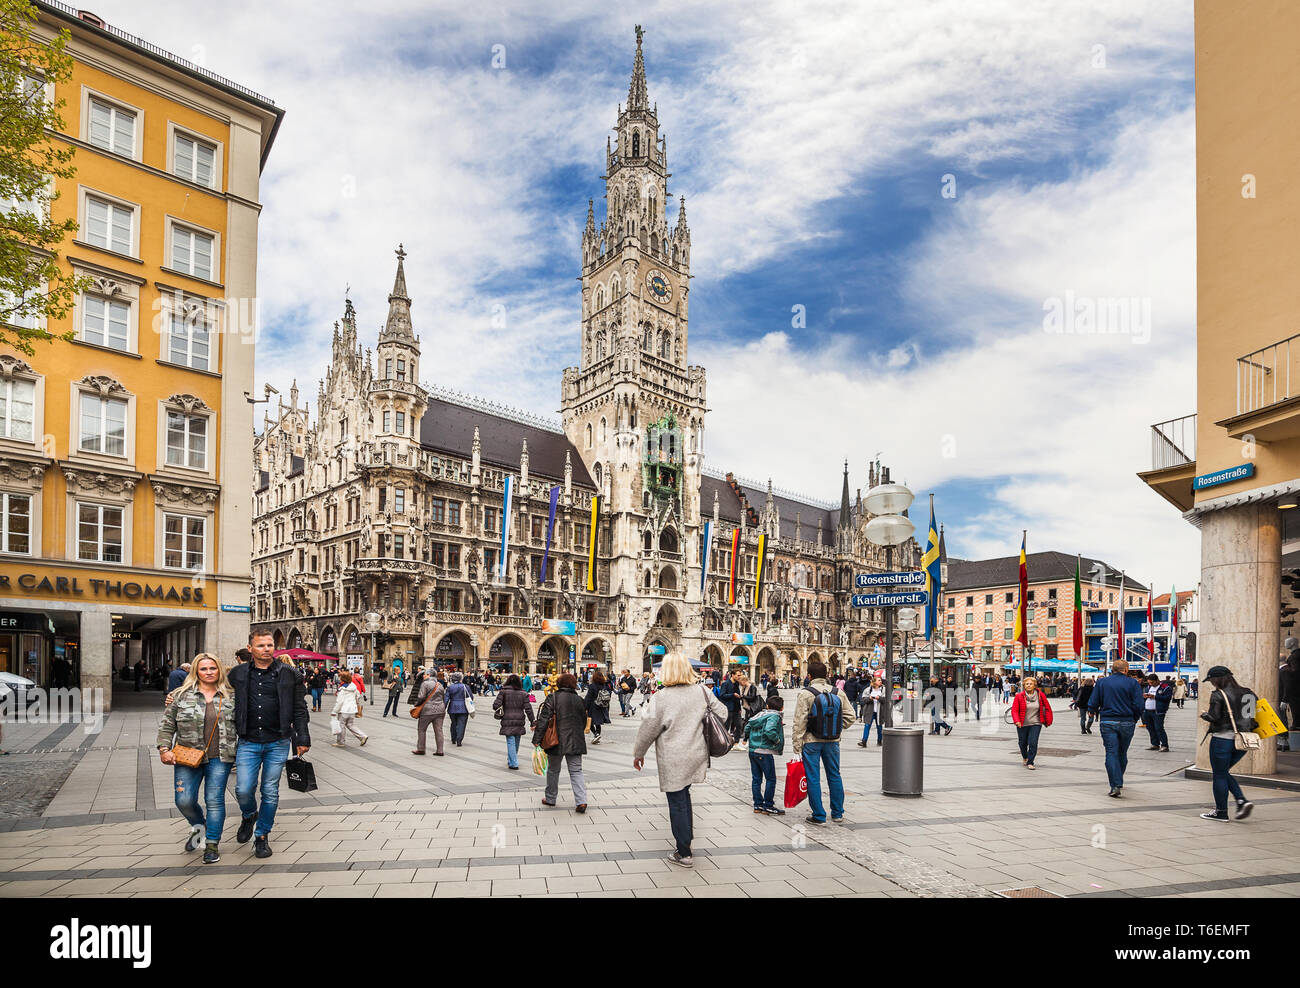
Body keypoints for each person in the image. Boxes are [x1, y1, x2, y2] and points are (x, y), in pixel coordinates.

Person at [632, 652, 730, 866]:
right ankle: (686, 841)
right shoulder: (702, 691)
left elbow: (648, 729)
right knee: (683, 797)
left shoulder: (661, 697)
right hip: (696, 754)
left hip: (673, 757)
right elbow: (722, 713)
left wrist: (639, 753)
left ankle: (684, 851)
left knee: (677, 802)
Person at [226, 630, 311, 858]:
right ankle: (248, 815)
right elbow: (212, 692)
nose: (267, 649)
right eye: (261, 645)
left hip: (278, 741)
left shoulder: (290, 674)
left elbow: (299, 709)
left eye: (270, 645)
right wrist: (175, 696)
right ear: (250, 648)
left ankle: (262, 836)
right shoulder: (238, 674)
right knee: (243, 789)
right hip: (248, 740)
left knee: (269, 790)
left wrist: (302, 737)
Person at [156, 654, 236, 865]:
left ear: (219, 670)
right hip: (187, 756)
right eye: (204, 669)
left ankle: (211, 844)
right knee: (184, 800)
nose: (209, 672)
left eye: (213, 668)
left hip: (220, 757)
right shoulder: (179, 695)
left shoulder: (231, 695)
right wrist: (164, 749)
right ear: (195, 672)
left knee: (214, 800)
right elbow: (167, 725)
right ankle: (199, 826)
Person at [791, 658, 855, 825]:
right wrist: (836, 727)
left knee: (813, 778)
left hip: (811, 741)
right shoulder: (838, 692)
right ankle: (837, 813)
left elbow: (800, 721)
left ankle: (819, 815)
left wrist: (797, 745)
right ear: (827, 675)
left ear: (809, 675)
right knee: (834, 775)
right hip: (833, 741)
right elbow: (851, 716)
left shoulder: (806, 693)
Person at [1198, 665, 1257, 821]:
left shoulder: (1218, 695)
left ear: (1218, 679)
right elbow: (1251, 717)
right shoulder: (1248, 693)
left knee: (1219, 774)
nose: (1211, 683)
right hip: (1242, 742)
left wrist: (1204, 714)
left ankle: (1221, 812)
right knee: (1222, 772)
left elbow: (1214, 717)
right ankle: (1241, 801)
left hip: (1222, 740)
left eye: (1211, 680)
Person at [1087, 658, 1146, 798]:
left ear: (1112, 669)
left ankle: (1115, 784)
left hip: (1108, 721)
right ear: (1126, 670)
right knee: (1122, 752)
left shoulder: (1102, 682)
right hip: (1127, 722)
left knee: (1111, 752)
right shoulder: (1133, 683)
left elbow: (1094, 701)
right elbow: (1139, 704)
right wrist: (1134, 718)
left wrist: (1092, 710)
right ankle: (1118, 779)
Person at [533, 672, 589, 811]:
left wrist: (537, 739)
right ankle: (581, 801)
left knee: (553, 770)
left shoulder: (553, 697)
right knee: (576, 770)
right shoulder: (579, 700)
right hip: (576, 740)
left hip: (556, 740)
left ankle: (551, 798)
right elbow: (583, 721)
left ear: (559, 683)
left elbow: (544, 719)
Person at [743, 695, 785, 815]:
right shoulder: (774, 716)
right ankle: (768, 805)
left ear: (767, 705)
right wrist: (776, 740)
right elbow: (769, 730)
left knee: (756, 779)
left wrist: (749, 739)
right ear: (781, 708)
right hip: (764, 751)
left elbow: (747, 727)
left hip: (753, 750)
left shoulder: (759, 714)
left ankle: (758, 805)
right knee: (771, 779)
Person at [492, 674, 536, 770]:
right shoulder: (523, 693)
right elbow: (528, 709)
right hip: (520, 719)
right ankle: (512, 759)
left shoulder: (503, 691)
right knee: (516, 741)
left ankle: (514, 763)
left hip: (507, 719)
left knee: (510, 741)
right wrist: (532, 721)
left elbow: (495, 705)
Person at [1010, 676, 1052, 770]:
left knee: (1033, 742)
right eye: (1027, 684)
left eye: (1031, 684)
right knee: (1022, 743)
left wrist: (1048, 721)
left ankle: (1030, 761)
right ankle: (1025, 757)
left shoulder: (1041, 695)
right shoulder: (1019, 696)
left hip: (1036, 723)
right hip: (1022, 723)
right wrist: (1017, 720)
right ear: (1024, 685)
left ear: (1034, 685)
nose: (1029, 685)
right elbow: (1014, 710)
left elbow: (1048, 708)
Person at [411, 671, 447, 756]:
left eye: (425, 674)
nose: (423, 676)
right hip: (440, 710)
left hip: (427, 710)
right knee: (439, 730)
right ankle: (440, 750)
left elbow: (421, 696)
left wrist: (416, 704)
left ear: (429, 675)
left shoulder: (425, 684)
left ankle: (421, 749)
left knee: (422, 729)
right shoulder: (440, 685)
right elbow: (443, 697)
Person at [330, 670, 368, 747]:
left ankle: (340, 742)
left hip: (344, 710)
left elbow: (339, 702)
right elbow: (358, 696)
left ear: (343, 679)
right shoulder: (353, 687)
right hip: (352, 710)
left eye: (340, 677)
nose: (339, 679)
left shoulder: (342, 689)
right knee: (350, 725)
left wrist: (334, 711)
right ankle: (363, 736)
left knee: (341, 725)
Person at [1143, 674, 1173, 752]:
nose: (1150, 684)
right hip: (1147, 710)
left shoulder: (1165, 687)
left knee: (1159, 728)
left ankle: (1164, 745)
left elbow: (1167, 698)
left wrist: (1155, 697)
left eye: (1152, 682)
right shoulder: (1148, 687)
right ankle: (1155, 744)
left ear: (1157, 680)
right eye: (1149, 682)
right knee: (1150, 728)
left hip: (1158, 711)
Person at [857, 675, 885, 747]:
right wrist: (870, 698)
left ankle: (879, 740)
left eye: (880, 680)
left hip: (879, 711)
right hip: (869, 711)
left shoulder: (883, 689)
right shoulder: (867, 690)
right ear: (874, 682)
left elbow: (886, 700)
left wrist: (879, 698)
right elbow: (863, 700)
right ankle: (864, 741)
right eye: (879, 680)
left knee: (879, 726)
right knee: (867, 725)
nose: (880, 681)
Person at [445, 671, 472, 747]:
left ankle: (453, 738)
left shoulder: (450, 687)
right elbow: (471, 697)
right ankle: (459, 740)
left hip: (452, 708)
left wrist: (443, 708)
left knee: (453, 723)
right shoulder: (465, 687)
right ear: (461, 678)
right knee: (461, 724)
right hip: (464, 708)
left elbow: (446, 699)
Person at [585, 669, 611, 744]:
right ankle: (597, 735)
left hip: (593, 706)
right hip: (602, 706)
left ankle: (596, 734)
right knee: (598, 722)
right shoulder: (604, 685)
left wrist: (585, 706)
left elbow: (588, 697)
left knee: (589, 721)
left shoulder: (592, 686)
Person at [718, 670, 741, 740]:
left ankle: (736, 742)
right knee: (726, 726)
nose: (739, 677)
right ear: (733, 675)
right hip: (728, 708)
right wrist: (732, 695)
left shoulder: (737, 683)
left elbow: (738, 696)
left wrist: (739, 708)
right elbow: (722, 695)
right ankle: (723, 741)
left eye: (740, 675)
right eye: (738, 675)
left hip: (736, 708)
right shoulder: (726, 684)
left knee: (739, 725)